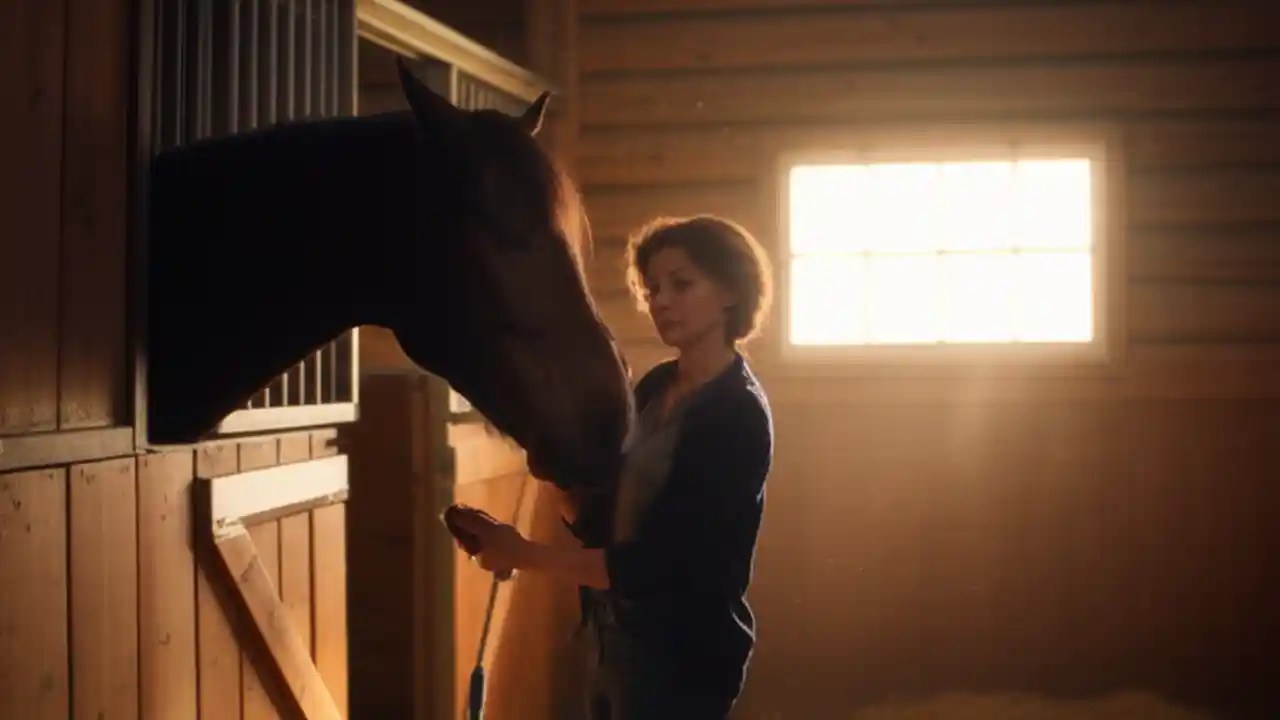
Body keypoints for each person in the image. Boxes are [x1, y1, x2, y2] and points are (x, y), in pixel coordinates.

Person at [449, 214, 775, 719]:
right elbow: (608, 521)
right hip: (612, 636)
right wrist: (550, 477)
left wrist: (526, 553)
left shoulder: (736, 414)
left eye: (681, 284)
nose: (661, 300)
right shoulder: (656, 387)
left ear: (732, 292)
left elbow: (659, 567)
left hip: (681, 654)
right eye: (652, 288)